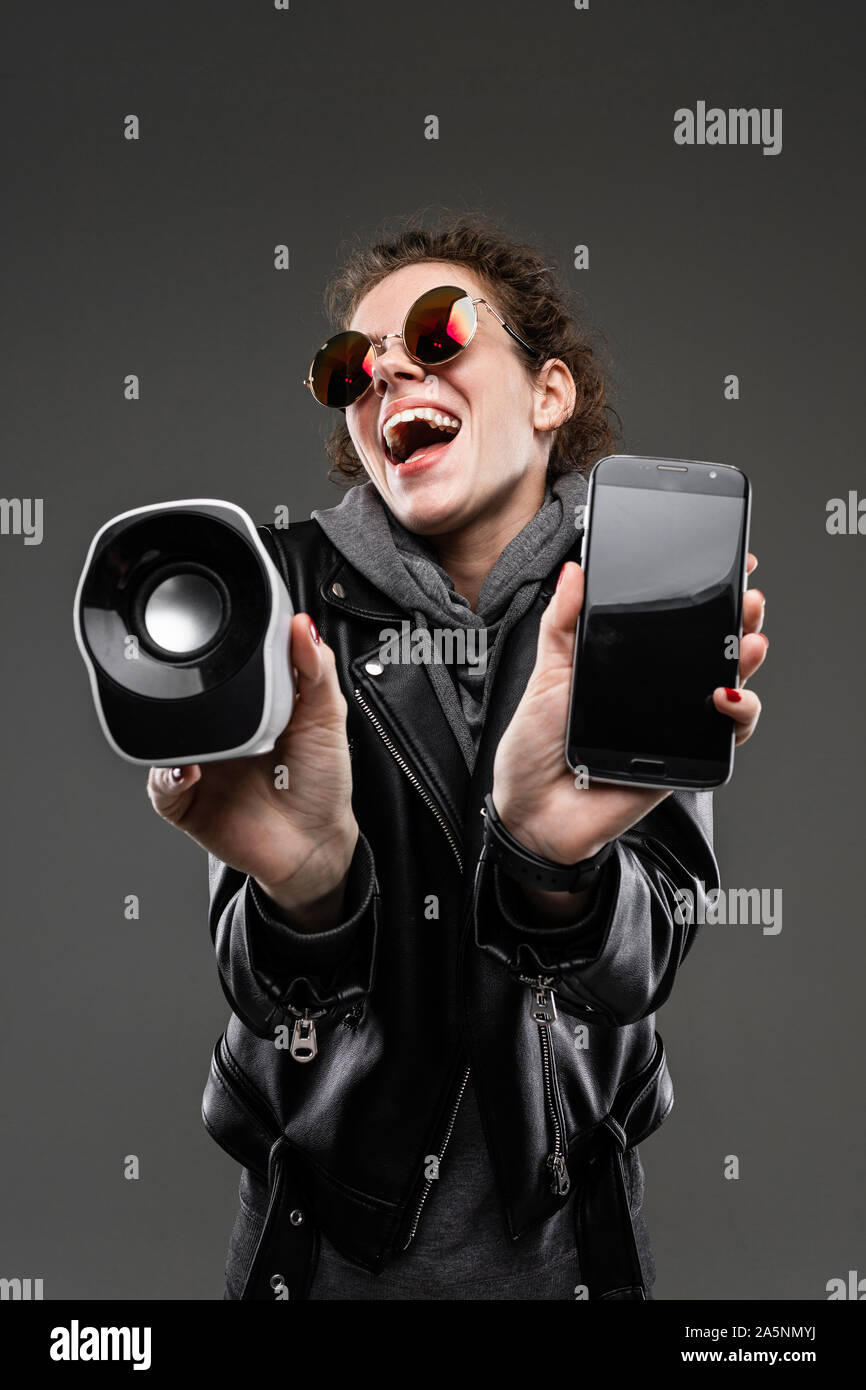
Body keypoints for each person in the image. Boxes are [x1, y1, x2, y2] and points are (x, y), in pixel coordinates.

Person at [148, 211, 768, 1300]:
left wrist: (546, 863)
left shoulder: (644, 597)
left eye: (434, 335)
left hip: (566, 1256)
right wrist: (303, 892)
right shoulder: (282, 597)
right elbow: (263, 994)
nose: (385, 374)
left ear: (548, 394)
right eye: (351, 367)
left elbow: (637, 969)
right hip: (319, 1254)